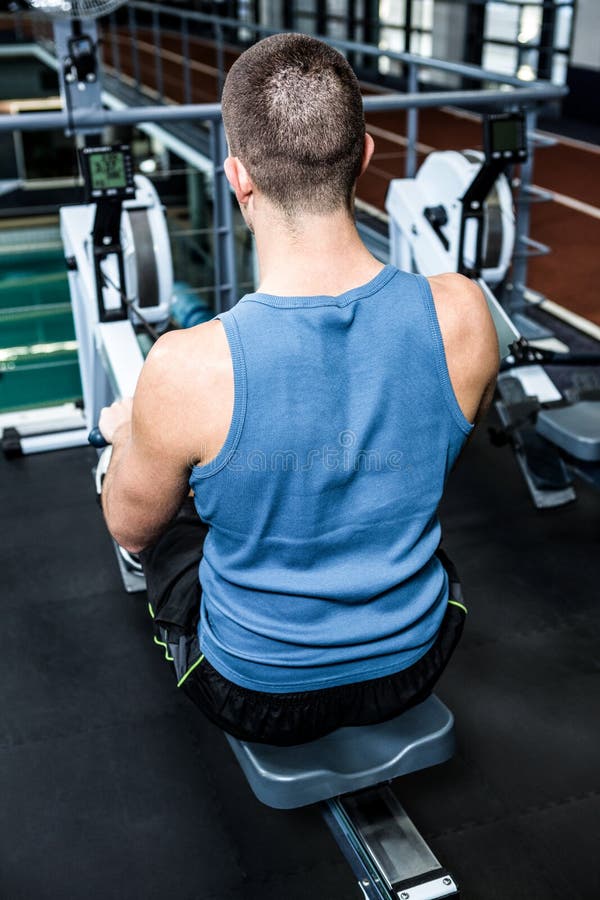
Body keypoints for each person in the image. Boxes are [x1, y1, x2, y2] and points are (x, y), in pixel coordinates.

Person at [98, 33, 499, 746]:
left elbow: (130, 532)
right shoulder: (464, 315)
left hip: (255, 692)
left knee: (158, 510)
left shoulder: (186, 367)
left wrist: (131, 432)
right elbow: (434, 449)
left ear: (237, 177)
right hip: (419, 659)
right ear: (368, 154)